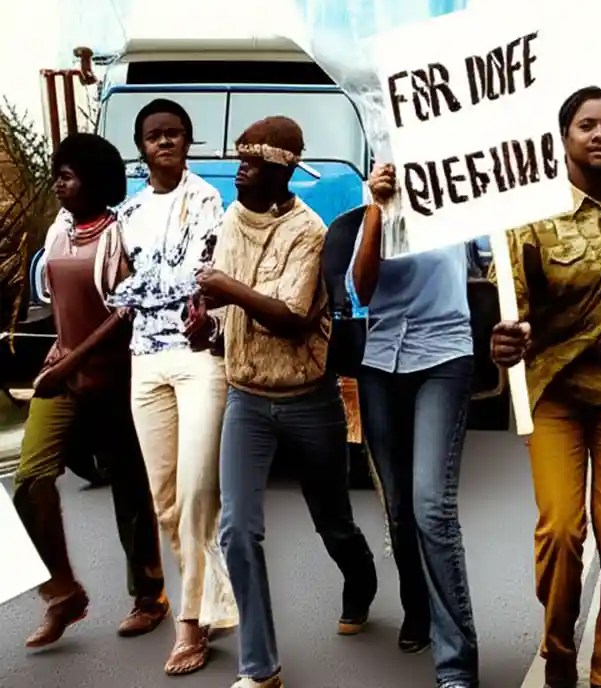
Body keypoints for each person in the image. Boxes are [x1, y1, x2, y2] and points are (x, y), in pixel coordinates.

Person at [183, 117, 378, 688]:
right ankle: (260, 667)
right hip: (246, 399)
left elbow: (292, 319)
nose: (240, 170)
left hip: (307, 401)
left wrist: (225, 289)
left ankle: (359, 578)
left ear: (283, 169)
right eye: (239, 159)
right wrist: (207, 328)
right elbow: (225, 317)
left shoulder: (309, 231)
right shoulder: (228, 222)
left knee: (332, 522)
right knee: (238, 530)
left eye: (253, 162)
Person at [489, 86, 601, 688]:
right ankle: (559, 648)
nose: (600, 135)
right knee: (562, 532)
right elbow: (508, 312)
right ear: (564, 139)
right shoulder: (529, 217)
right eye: (587, 125)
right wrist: (502, 344)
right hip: (557, 393)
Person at [12, 133, 168, 649]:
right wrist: (58, 360)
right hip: (63, 377)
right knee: (29, 482)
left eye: (70, 174)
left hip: (118, 379)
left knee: (130, 493)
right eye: (57, 171)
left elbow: (127, 311)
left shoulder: (121, 235)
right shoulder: (60, 232)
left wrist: (71, 360)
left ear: (97, 181)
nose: (59, 181)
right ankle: (63, 594)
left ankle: (149, 597)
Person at [109, 98, 238, 675]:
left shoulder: (206, 201)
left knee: (195, 493)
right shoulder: (126, 214)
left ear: (188, 142)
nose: (165, 142)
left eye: (175, 133)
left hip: (197, 358)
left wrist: (147, 291)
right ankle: (217, 601)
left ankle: (190, 624)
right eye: (154, 135)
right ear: (141, 146)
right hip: (145, 361)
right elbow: (117, 290)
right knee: (164, 501)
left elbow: (190, 274)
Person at [348, 168, 479, 677]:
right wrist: (378, 209)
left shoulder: (461, 203)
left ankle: (457, 663)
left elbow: (496, 266)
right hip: (382, 362)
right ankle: (417, 607)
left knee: (431, 504)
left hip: (445, 356)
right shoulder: (375, 210)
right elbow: (360, 288)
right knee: (399, 506)